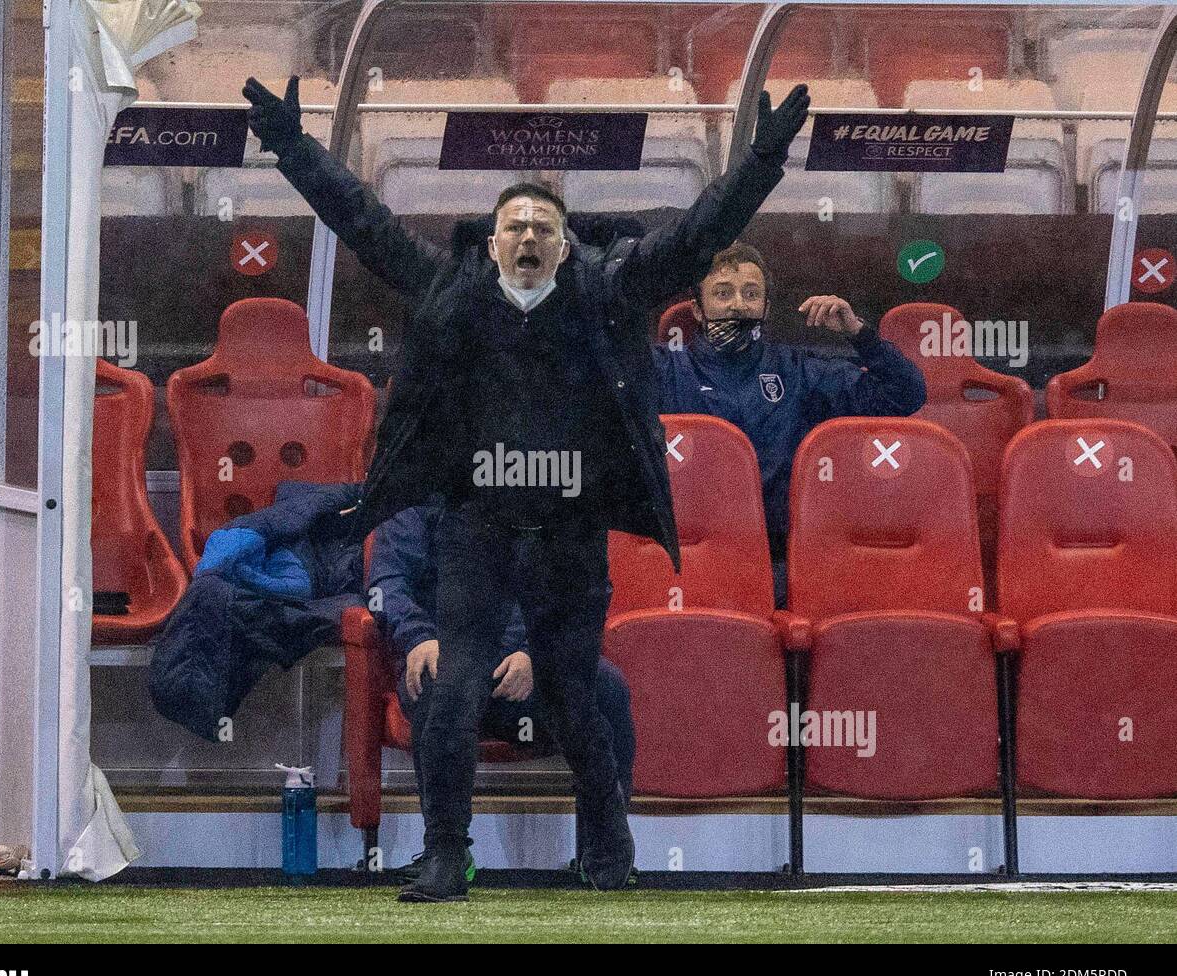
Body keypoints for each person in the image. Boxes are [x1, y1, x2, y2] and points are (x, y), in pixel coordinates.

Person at [245, 75, 808, 901]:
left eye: (545, 227)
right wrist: (293, 147)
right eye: (517, 227)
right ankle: (445, 854)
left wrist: (761, 160)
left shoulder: (607, 291)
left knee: (576, 690)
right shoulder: (453, 289)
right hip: (479, 523)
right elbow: (363, 223)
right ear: (494, 243)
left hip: (571, 530)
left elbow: (697, 238)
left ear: (566, 242)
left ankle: (609, 850)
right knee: (457, 685)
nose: (530, 238)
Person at [370, 502, 637, 886]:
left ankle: (602, 847)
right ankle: (445, 851)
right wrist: (418, 637)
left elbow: (576, 592)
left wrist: (537, 652)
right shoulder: (421, 496)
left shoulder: (547, 492)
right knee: (436, 689)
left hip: (532, 668)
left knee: (607, 687)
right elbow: (387, 583)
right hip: (447, 655)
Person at [653, 243, 926, 604]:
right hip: (683, 557)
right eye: (722, 293)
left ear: (765, 308)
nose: (737, 304)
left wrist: (859, 334)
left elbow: (904, 394)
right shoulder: (664, 370)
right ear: (697, 310)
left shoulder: (797, 371)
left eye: (751, 294)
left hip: (777, 559)